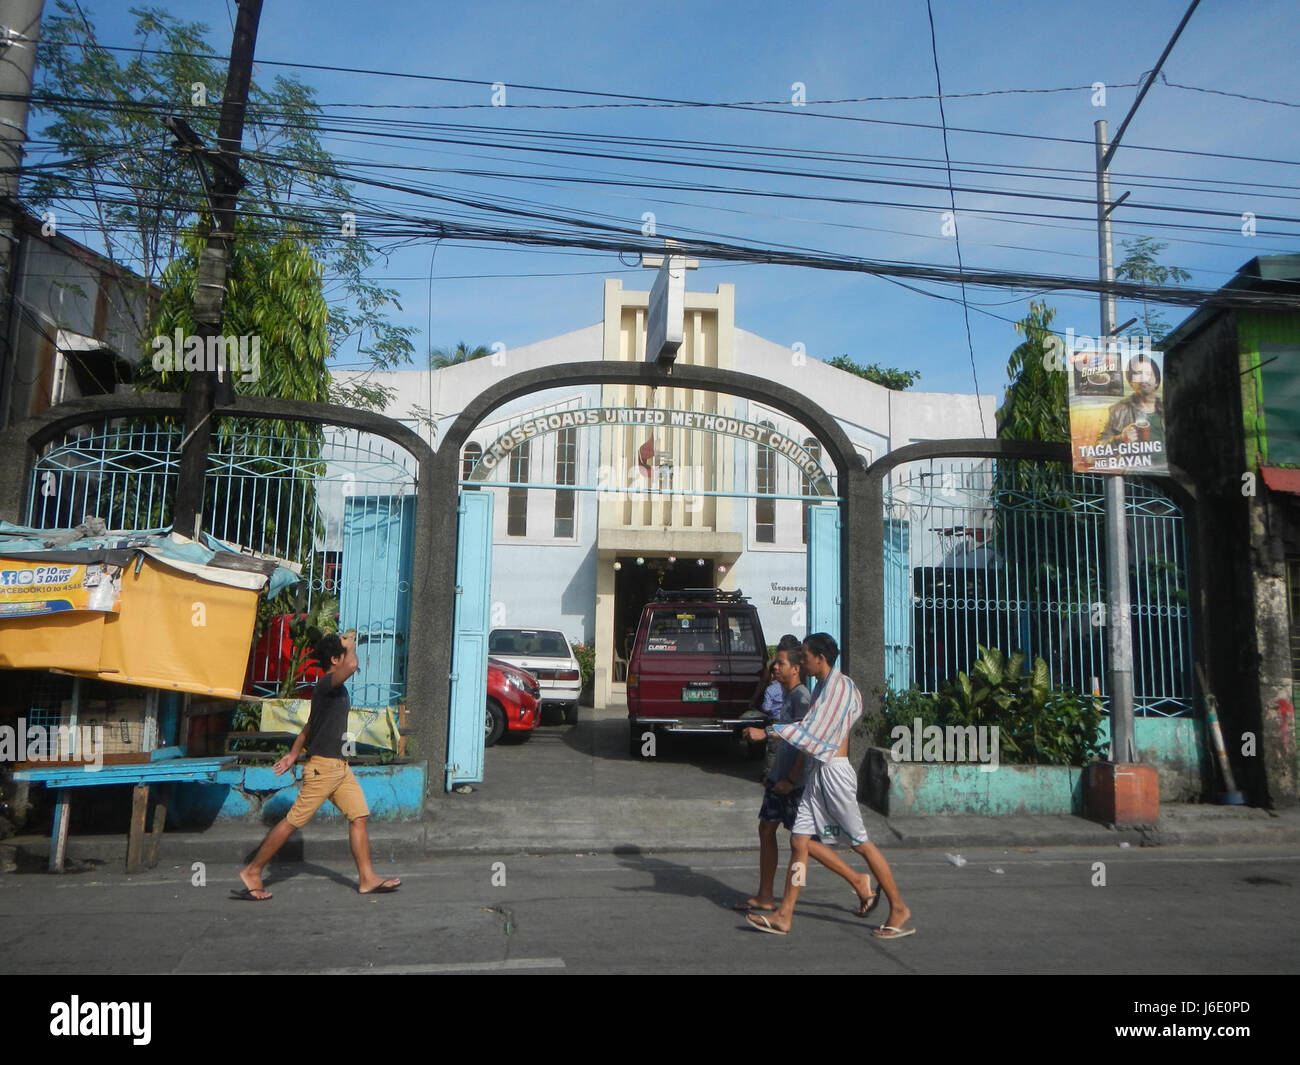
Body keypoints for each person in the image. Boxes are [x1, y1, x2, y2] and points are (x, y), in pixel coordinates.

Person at [746, 633, 913, 939]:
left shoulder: (839, 687)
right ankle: (784, 915)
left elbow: (812, 731)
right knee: (799, 841)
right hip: (817, 775)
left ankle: (899, 907)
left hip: (834, 775)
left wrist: (767, 733)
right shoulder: (824, 687)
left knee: (860, 843)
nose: (802, 661)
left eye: (805, 656)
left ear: (820, 658)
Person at [235, 632, 402, 900]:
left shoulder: (334, 690)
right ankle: (253, 871)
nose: (348, 657)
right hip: (323, 769)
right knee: (292, 822)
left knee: (359, 817)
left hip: (340, 769)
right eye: (343, 653)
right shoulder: (326, 684)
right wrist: (351, 645)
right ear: (335, 659)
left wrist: (293, 753)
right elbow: (352, 666)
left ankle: (367, 879)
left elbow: (310, 726)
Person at [734, 645, 876, 918]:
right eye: (775, 663)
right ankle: (766, 897)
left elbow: (806, 741)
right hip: (780, 779)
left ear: (796, 668)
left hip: (795, 783)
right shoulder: (788, 696)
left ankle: (859, 881)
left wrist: (790, 778)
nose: (775, 667)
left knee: (807, 844)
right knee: (768, 830)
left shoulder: (802, 697)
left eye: (781, 663)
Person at [1097, 355, 1165, 450]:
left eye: (1148, 374)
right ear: (1131, 383)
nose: (1143, 379)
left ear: (1157, 381)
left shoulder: (1168, 407)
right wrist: (1121, 439)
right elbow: (1096, 451)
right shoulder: (1117, 410)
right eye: (1138, 374)